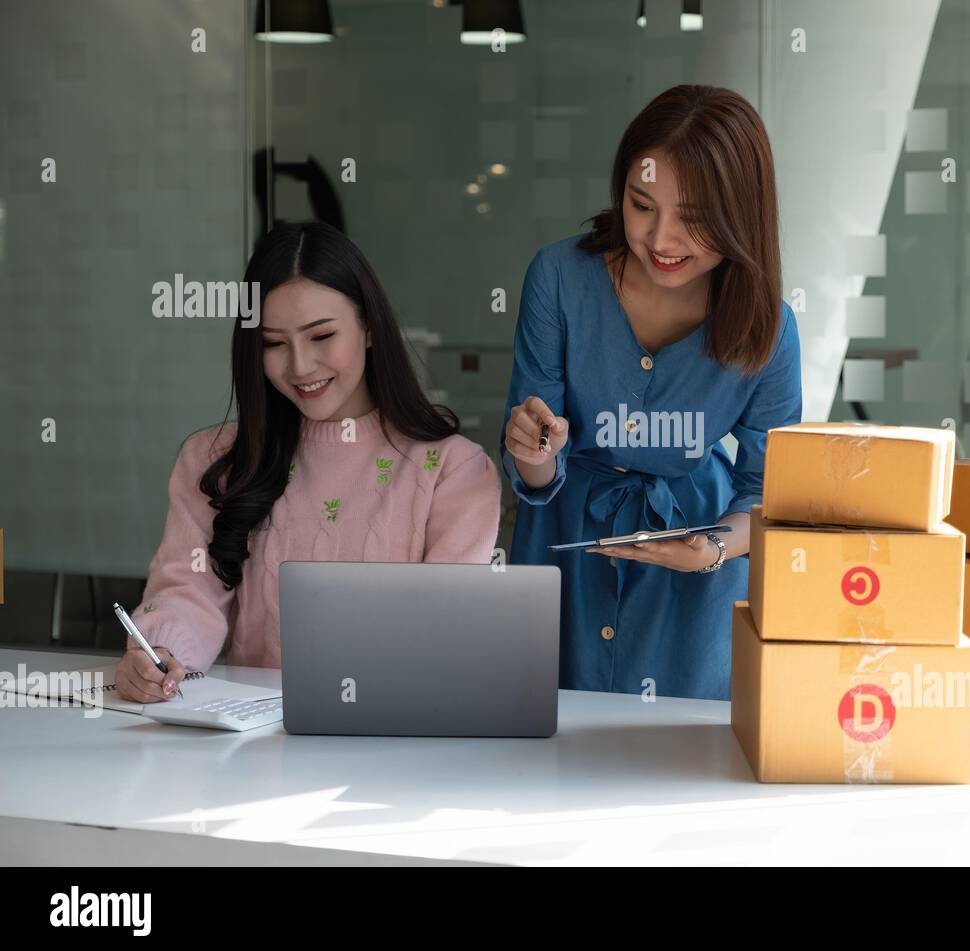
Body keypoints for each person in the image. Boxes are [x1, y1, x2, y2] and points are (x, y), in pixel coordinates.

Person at [114, 221, 501, 702]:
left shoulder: (454, 471)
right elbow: (188, 590)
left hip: (394, 739)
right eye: (274, 343)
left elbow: (445, 633)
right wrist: (161, 652)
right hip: (249, 749)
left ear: (370, 328)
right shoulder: (213, 461)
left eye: (321, 336)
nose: (299, 366)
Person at [501, 85, 802, 701]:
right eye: (643, 206)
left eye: (694, 218)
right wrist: (534, 454)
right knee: (539, 748)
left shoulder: (771, 326)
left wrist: (715, 546)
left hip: (697, 554)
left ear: (743, 215)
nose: (662, 239)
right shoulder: (559, 278)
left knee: (676, 765)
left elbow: (767, 491)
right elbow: (534, 463)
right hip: (565, 540)